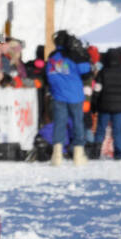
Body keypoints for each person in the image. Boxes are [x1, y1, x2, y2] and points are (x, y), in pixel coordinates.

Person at [45, 30, 92, 166]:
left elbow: (49, 74)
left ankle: (57, 155)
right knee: (78, 123)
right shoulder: (73, 56)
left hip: (58, 94)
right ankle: (78, 154)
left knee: (59, 124)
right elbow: (86, 71)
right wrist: (84, 55)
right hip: (75, 95)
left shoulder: (53, 57)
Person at [91, 47, 121, 159]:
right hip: (120, 108)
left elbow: (97, 90)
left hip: (104, 106)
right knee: (118, 131)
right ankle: (118, 153)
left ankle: (95, 152)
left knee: (100, 130)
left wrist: (94, 104)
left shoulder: (102, 72)